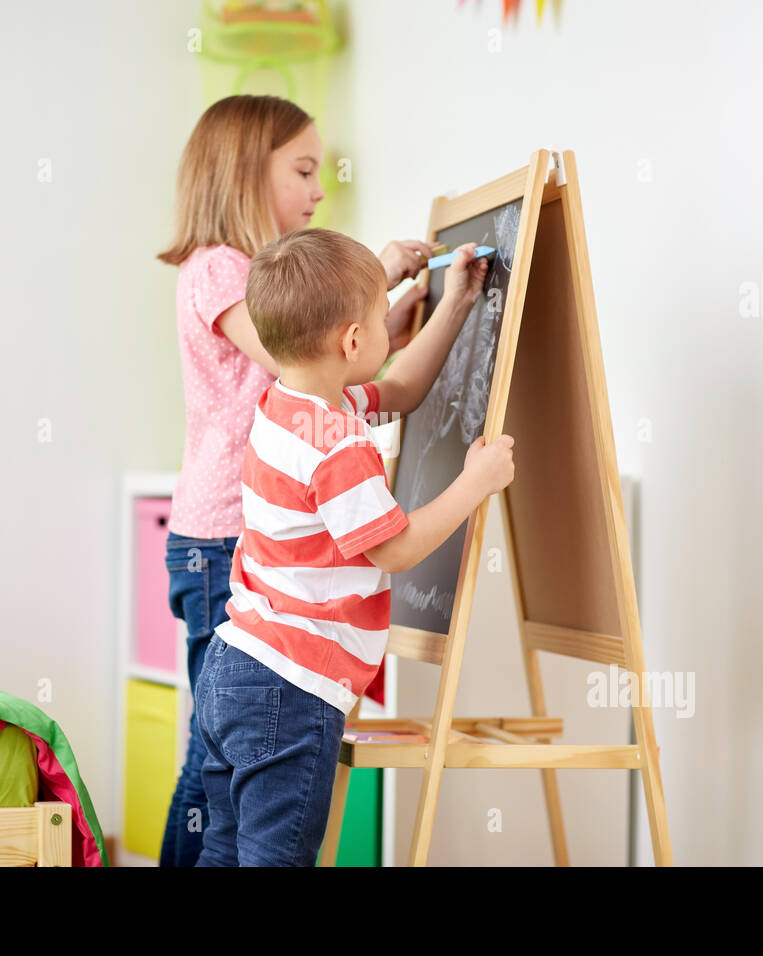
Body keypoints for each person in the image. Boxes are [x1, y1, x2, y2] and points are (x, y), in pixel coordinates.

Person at [156, 94, 437, 867]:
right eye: (304, 170)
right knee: (214, 772)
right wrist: (369, 279)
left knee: (222, 764)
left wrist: (385, 316)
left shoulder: (244, 275)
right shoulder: (217, 269)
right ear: (246, 174)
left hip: (232, 538)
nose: (318, 190)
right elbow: (291, 349)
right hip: (219, 538)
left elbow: (331, 362)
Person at [193, 228, 516, 866]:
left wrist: (453, 305)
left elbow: (398, 393)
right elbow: (392, 550)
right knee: (273, 859)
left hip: (232, 671)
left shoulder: (288, 406)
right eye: (378, 317)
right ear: (354, 340)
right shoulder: (337, 444)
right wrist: (474, 484)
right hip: (290, 687)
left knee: (225, 852)